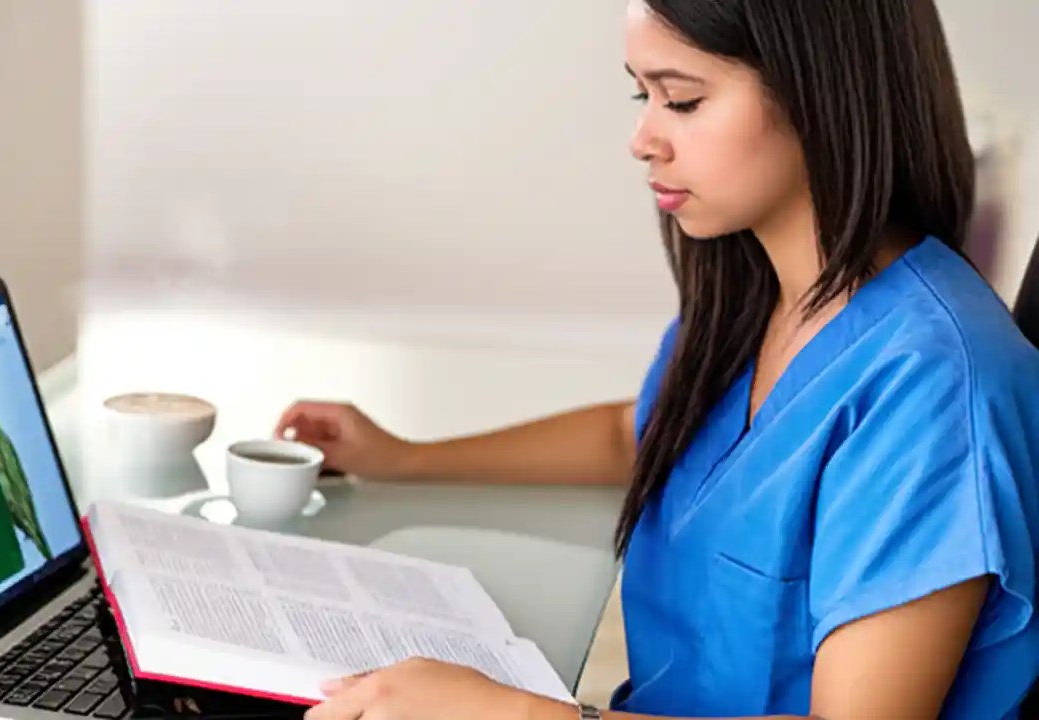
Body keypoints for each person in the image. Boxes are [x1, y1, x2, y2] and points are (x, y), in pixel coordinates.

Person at [272, 0, 1039, 718]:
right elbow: (644, 433)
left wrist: (512, 711)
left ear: (821, 91)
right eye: (643, 95)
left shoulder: (934, 383)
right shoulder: (758, 296)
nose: (643, 138)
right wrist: (404, 457)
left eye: (682, 100)